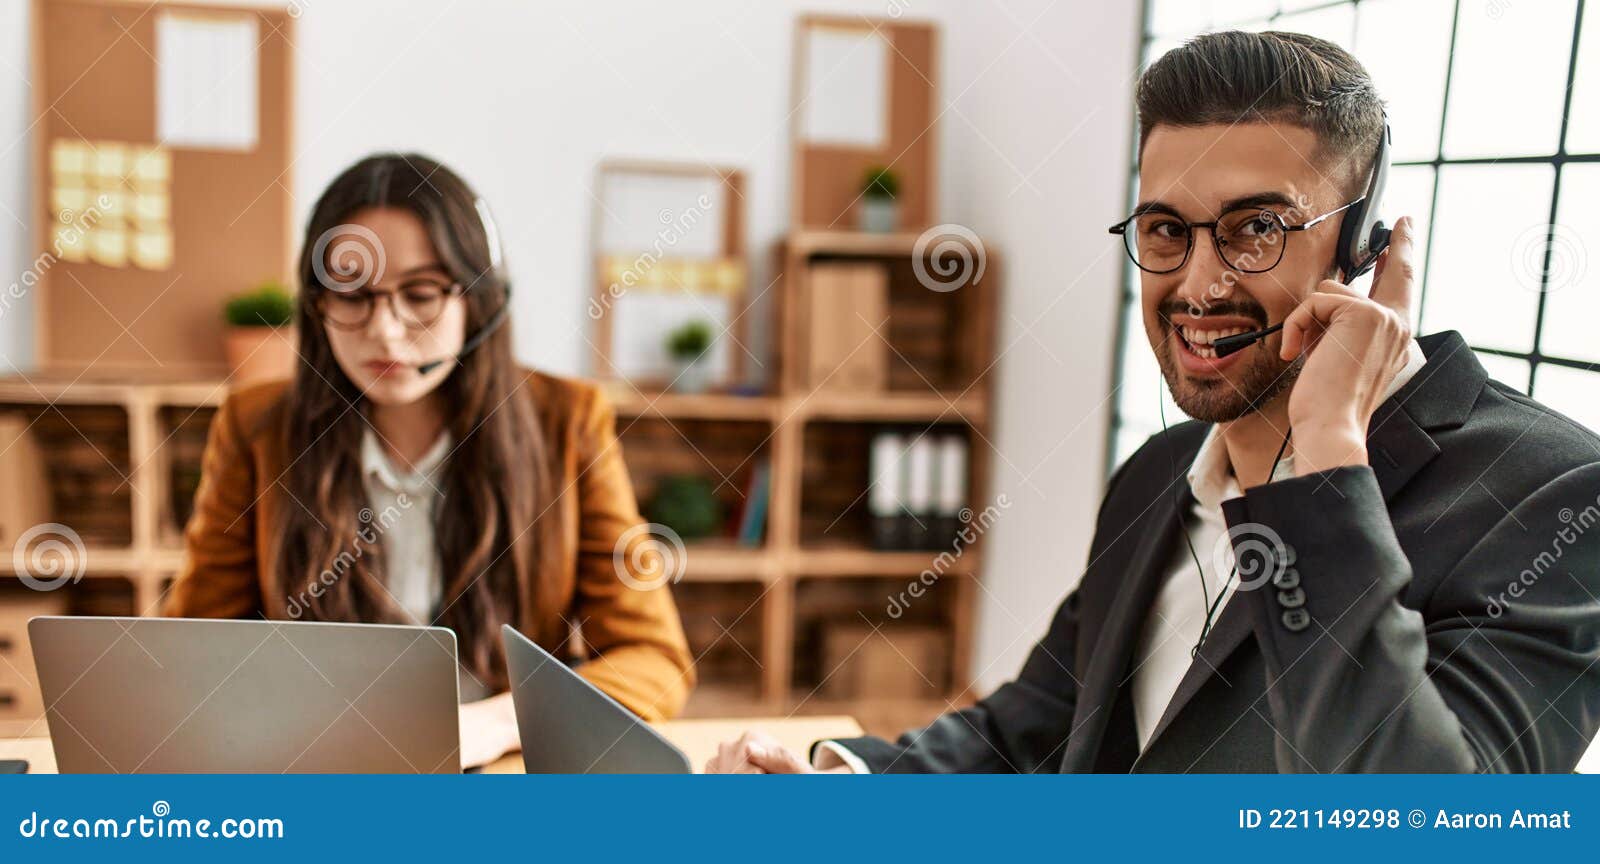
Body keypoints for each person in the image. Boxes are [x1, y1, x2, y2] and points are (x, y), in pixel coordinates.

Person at [707, 30, 1600, 773]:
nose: (1198, 284)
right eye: (1166, 230)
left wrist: (1329, 447)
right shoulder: (1161, 472)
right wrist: (841, 781)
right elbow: (1036, 728)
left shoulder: (1555, 491)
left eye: (1257, 229)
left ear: (1362, 251)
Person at [165, 154, 694, 769]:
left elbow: (653, 657)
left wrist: (497, 721)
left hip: (497, 774)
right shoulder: (258, 425)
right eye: (351, 295)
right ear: (316, 304)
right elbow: (196, 653)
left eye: (420, 294)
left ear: (481, 299)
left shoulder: (567, 421)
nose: (385, 332)